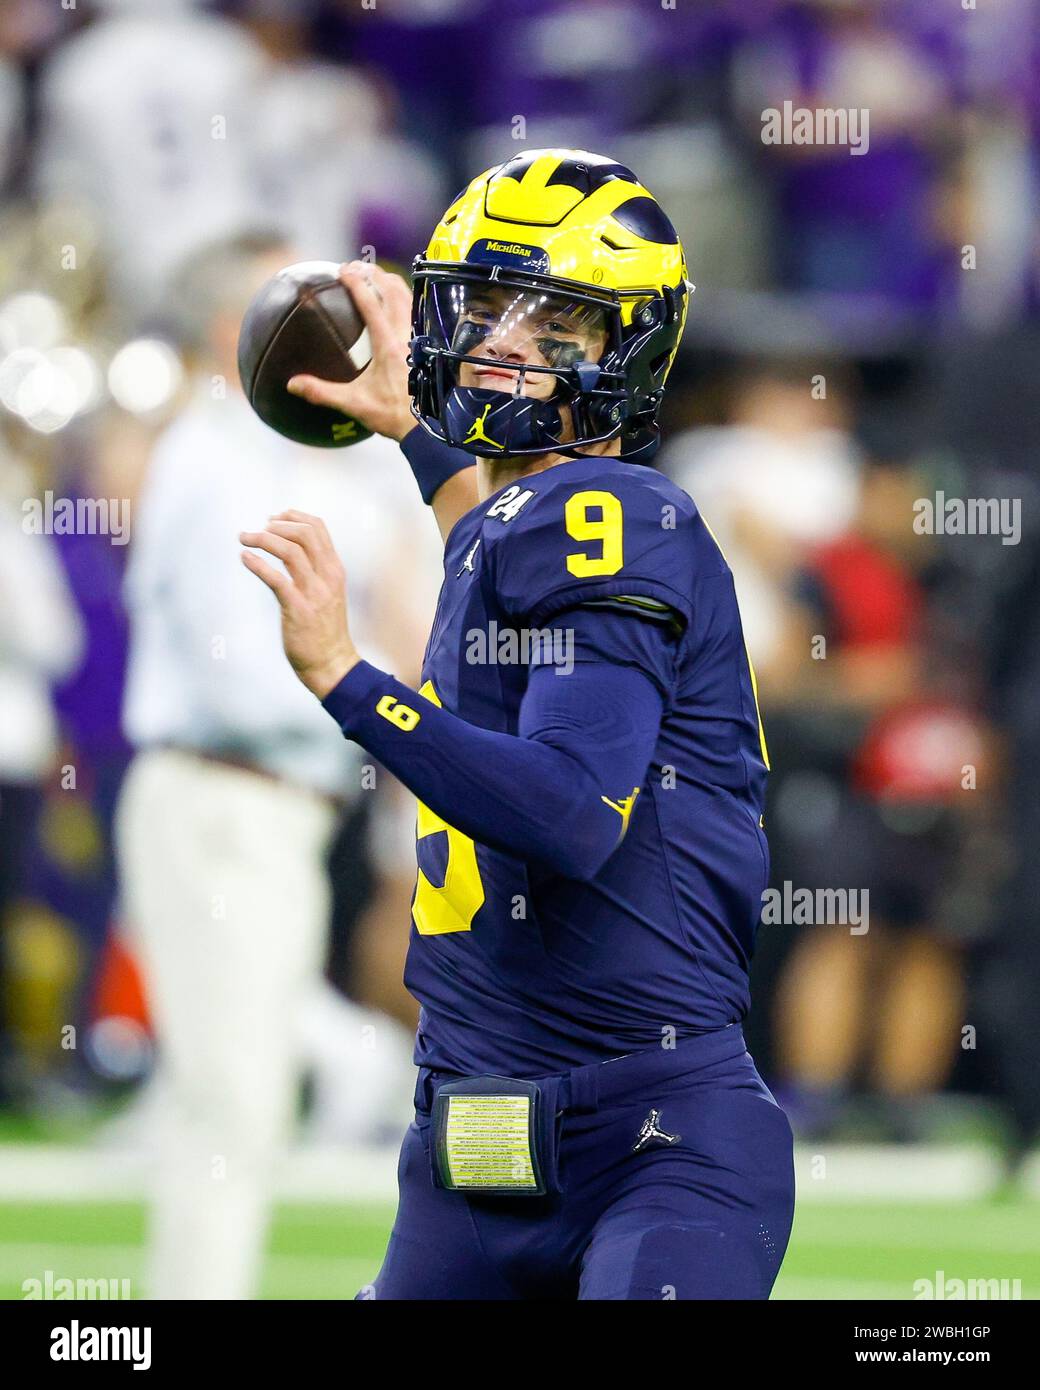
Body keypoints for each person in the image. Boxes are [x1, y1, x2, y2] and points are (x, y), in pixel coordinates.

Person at [241, 150, 795, 1300]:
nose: (503, 344)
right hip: (467, 1136)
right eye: (487, 306)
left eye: (556, 328)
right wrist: (410, 429)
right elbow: (489, 539)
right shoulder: (517, 522)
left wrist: (348, 677)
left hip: (649, 1138)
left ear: (628, 351)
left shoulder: (618, 509)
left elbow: (566, 809)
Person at [115, 233, 427, 1300]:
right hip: (224, 788)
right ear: (236, 328)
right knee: (232, 1102)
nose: (337, 323)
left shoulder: (315, 454)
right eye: (308, 304)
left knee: (240, 1095)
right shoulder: (212, 457)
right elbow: (242, 674)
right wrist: (390, 701)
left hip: (282, 803)